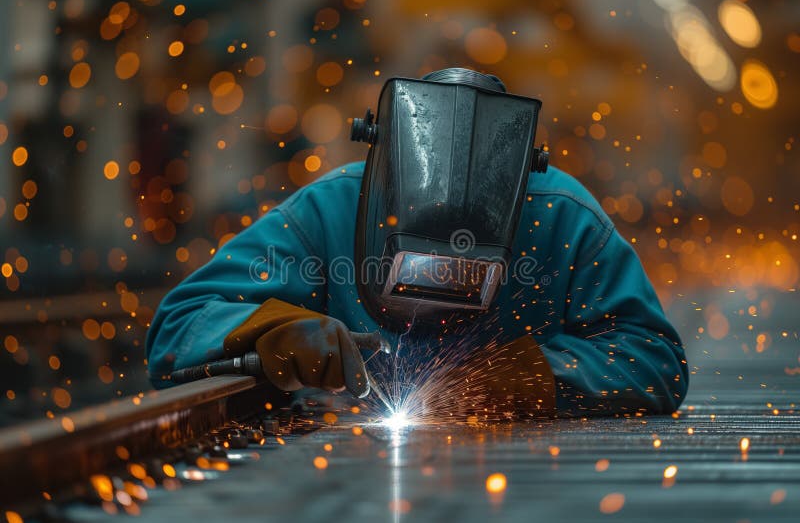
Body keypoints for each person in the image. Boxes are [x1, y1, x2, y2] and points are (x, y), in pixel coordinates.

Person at [146, 68, 688, 417]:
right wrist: (274, 331)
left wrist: (539, 375)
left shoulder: (564, 220)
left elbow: (655, 359)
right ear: (382, 187)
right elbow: (179, 325)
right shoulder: (329, 211)